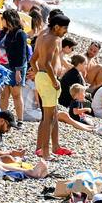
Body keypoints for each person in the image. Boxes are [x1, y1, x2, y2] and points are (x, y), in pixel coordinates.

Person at [31, 10, 72, 159]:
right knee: (48, 118)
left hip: (42, 78)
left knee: (51, 116)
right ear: (56, 27)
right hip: (49, 80)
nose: (66, 32)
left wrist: (38, 75)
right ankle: (45, 152)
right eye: (64, 28)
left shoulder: (42, 35)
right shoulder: (54, 39)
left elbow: (32, 60)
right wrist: (54, 81)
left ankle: (48, 149)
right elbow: (48, 63)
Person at [0, 9, 28, 123]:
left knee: (16, 94)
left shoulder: (20, 34)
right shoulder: (3, 32)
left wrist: (18, 71)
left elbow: (22, 54)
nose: (1, 21)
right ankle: (2, 117)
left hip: (15, 67)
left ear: (9, 19)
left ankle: (20, 120)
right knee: (3, 94)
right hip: (2, 66)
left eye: (3, 19)